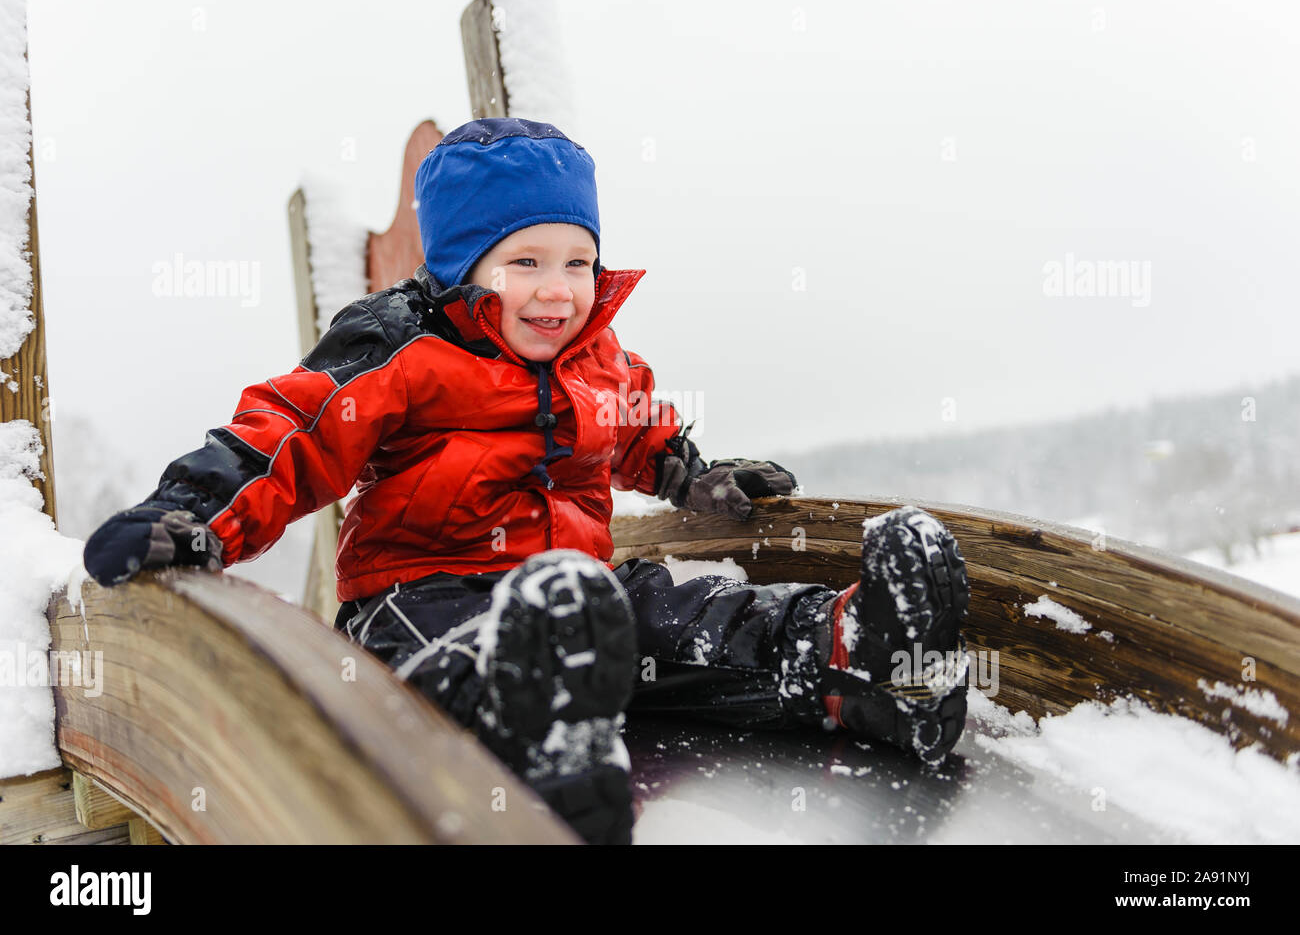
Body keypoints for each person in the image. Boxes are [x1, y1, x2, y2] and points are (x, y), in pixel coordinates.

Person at [82, 118, 971, 845]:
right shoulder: (400, 343)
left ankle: (860, 651)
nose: (559, 292)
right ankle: (525, 721)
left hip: (574, 586)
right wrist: (194, 512)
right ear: (464, 268)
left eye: (577, 263)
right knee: (460, 655)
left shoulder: (596, 353)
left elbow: (636, 429)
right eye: (526, 263)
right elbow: (293, 432)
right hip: (423, 592)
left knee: (675, 615)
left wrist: (695, 478)